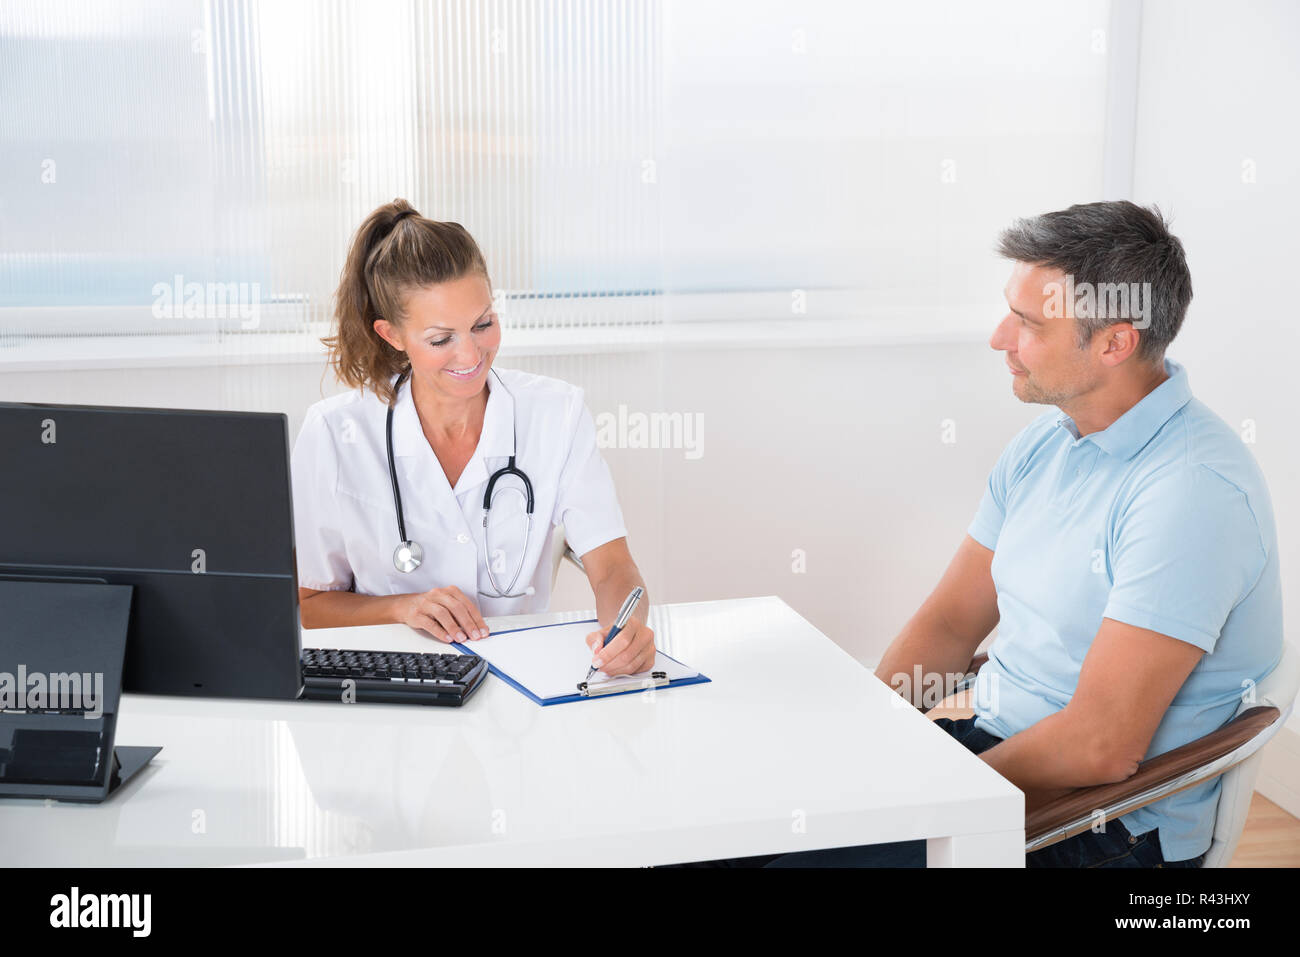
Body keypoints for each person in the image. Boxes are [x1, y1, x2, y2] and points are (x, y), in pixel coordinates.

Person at [684, 200, 1282, 867]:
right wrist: (866, 746)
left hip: (1098, 822)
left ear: (1115, 342)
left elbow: (1100, 745)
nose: (1001, 337)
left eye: (1028, 323)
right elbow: (948, 624)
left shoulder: (1192, 493)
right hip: (999, 754)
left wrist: (937, 794)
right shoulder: (1045, 447)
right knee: (715, 832)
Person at [291, 199, 655, 678]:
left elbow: (612, 568)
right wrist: (402, 608)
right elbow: (306, 603)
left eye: (483, 324)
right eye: (441, 339)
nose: (471, 354)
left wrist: (625, 631)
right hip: (389, 685)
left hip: (518, 683)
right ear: (391, 334)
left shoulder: (557, 414)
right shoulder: (335, 434)